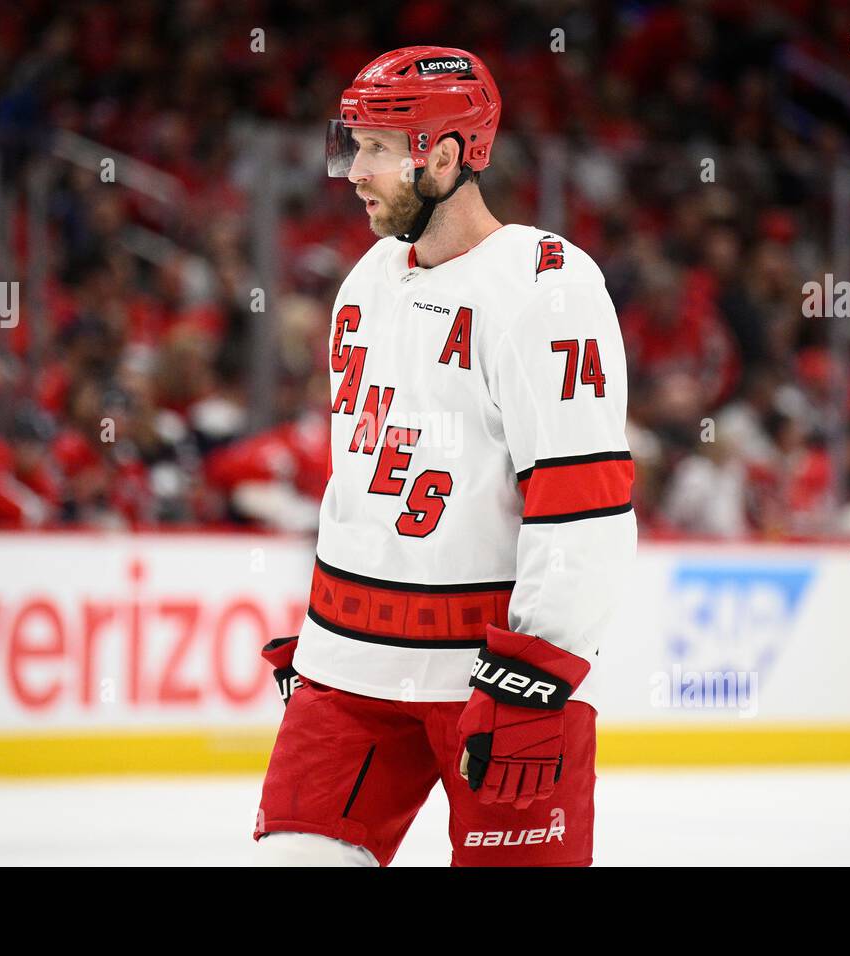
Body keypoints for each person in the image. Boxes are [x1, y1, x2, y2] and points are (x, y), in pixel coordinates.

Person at [253, 46, 636, 867]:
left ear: (447, 155)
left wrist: (537, 673)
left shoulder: (548, 290)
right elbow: (359, 480)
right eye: (350, 145)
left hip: (494, 680)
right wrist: (325, 640)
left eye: (376, 150)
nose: (353, 172)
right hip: (351, 672)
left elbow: (584, 506)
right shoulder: (363, 281)